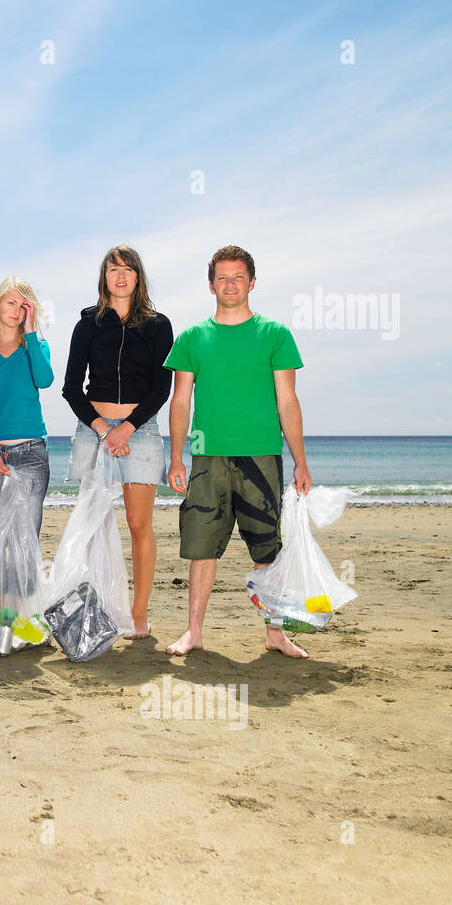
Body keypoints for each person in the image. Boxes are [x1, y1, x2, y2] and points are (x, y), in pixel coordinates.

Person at [164, 245, 312, 659]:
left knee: (267, 549)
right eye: (222, 277)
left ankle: (275, 633)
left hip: (261, 456)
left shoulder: (275, 334)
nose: (230, 284)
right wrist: (176, 457)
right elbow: (180, 402)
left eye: (238, 277)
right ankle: (193, 632)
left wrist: (300, 461)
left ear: (251, 282)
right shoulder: (193, 337)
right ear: (211, 285)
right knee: (201, 547)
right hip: (206, 457)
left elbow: (288, 401)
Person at [62, 245, 174, 639]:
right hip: (94, 432)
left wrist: (128, 426)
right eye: (113, 270)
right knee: (95, 524)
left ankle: (138, 612)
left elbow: (163, 387)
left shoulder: (159, 325)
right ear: (104, 278)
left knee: (139, 524)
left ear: (138, 276)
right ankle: (100, 608)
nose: (120, 276)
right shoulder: (88, 325)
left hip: (140, 432)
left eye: (128, 269)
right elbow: (71, 388)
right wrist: (104, 428)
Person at [0, 277, 53, 535]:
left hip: (32, 454)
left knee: (26, 545)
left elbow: (44, 380)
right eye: (11, 302)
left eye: (23, 306)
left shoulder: (37, 346)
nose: (16, 310)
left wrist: (30, 333)